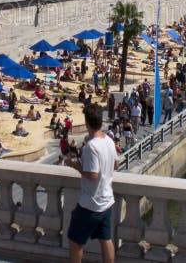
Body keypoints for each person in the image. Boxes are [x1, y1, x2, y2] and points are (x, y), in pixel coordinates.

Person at [66, 103, 118, 263]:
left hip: (90, 205)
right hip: (107, 201)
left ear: (87, 122)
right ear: (101, 122)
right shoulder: (109, 140)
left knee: (76, 242)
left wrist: (74, 165)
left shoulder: (91, 146)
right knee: (106, 240)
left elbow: (92, 175)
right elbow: (116, 164)